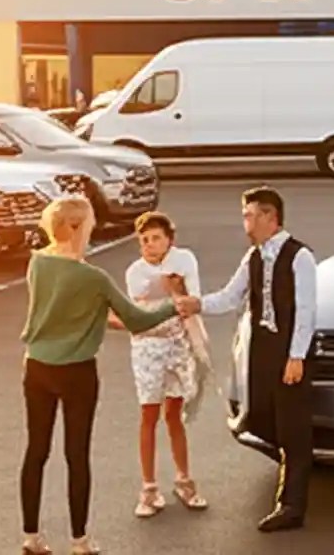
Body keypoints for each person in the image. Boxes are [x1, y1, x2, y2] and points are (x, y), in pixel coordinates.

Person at [19, 195, 181, 555]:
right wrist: (175, 306)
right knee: (76, 455)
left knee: (36, 451)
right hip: (76, 372)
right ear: (77, 227)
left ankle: (31, 536)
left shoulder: (38, 264)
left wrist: (100, 318)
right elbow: (138, 319)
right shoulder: (93, 278)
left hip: (37, 367)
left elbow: (62, 312)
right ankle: (80, 541)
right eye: (90, 223)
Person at [176, 186, 317, 533]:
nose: (246, 223)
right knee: (261, 418)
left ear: (271, 217)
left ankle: (292, 506)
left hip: (288, 349)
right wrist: (197, 304)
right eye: (245, 216)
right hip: (262, 350)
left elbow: (306, 311)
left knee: (293, 428)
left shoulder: (299, 257)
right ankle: (296, 470)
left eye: (251, 216)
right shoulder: (253, 257)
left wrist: (297, 356)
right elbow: (230, 296)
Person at [119, 211, 209, 518]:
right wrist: (172, 287)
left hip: (178, 344)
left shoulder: (185, 259)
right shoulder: (135, 271)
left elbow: (191, 299)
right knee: (149, 414)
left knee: (174, 414)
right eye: (144, 240)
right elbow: (141, 305)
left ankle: (184, 480)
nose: (150, 244)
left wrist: (173, 290)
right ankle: (148, 487)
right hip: (147, 346)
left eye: (156, 238)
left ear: (169, 239)